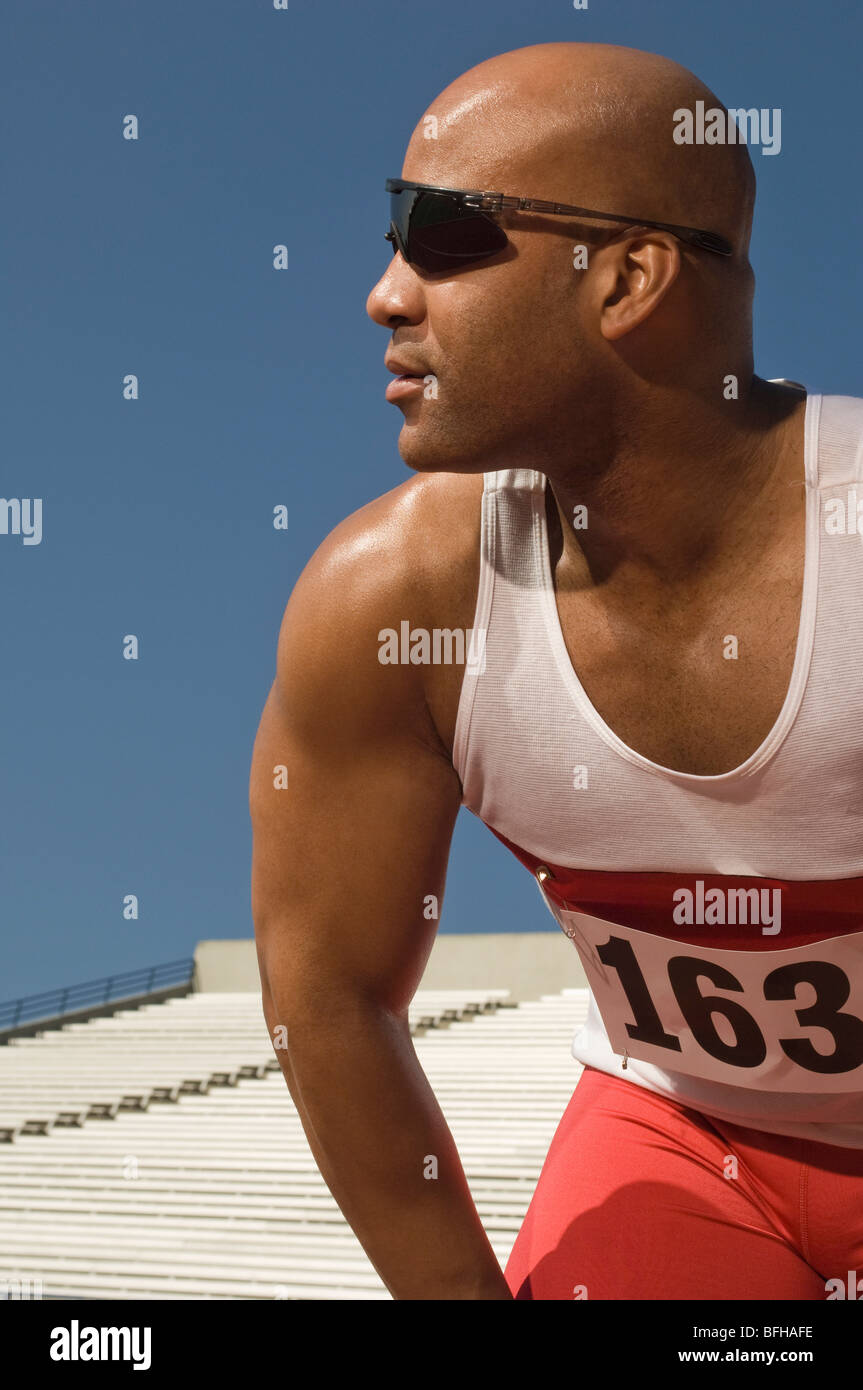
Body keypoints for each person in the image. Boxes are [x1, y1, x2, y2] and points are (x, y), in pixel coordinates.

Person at [250, 41, 863, 1300]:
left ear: (626, 276)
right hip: (679, 1143)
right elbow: (328, 990)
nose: (384, 293)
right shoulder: (388, 601)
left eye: (440, 235)